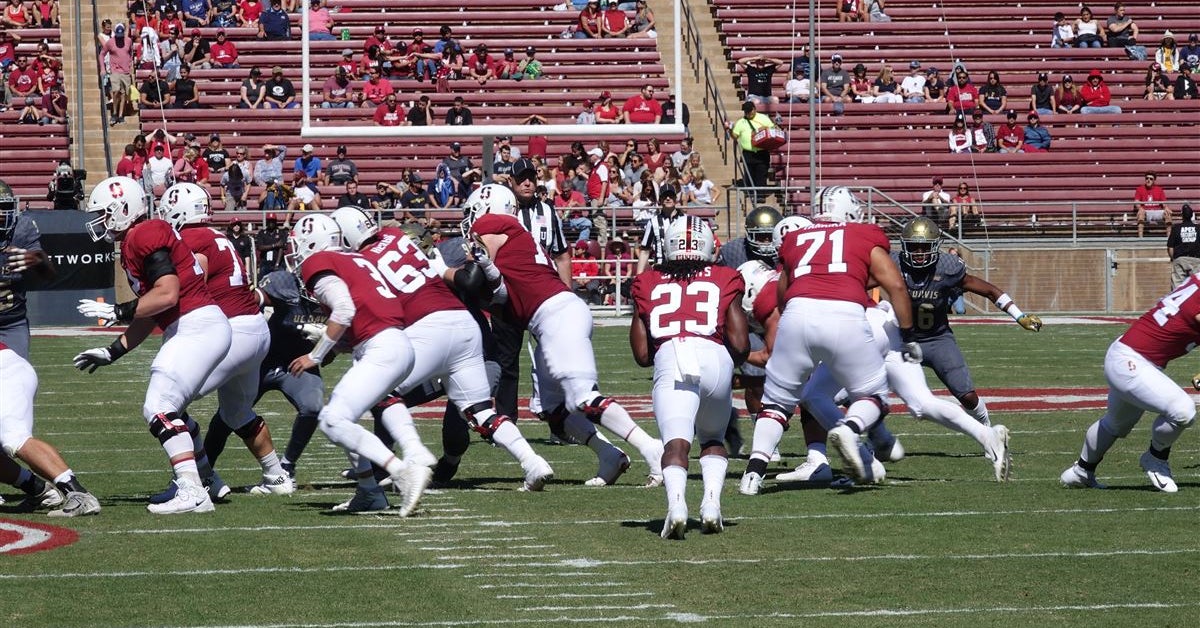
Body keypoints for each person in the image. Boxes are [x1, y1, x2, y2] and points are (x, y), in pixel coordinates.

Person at [331, 207, 554, 497]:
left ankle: (408, 459)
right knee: (480, 412)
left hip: (431, 331)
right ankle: (533, 462)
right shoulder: (399, 239)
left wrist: (335, 342)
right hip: (464, 330)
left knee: (378, 391)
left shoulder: (363, 262)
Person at [464, 184, 664, 486]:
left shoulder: (493, 223)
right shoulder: (516, 237)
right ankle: (609, 455)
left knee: (584, 397)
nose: (471, 221)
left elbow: (474, 277)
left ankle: (651, 448)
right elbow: (500, 293)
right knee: (551, 408)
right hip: (552, 317)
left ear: (486, 207)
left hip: (555, 315)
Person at [740, 187, 918, 492]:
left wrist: (792, 323)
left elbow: (783, 291)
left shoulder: (796, 238)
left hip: (796, 315)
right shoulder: (863, 234)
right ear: (848, 211)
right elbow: (896, 287)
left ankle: (753, 475)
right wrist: (908, 334)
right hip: (844, 315)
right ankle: (851, 429)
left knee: (776, 403)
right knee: (873, 396)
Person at [75, 176, 233, 514]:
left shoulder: (144, 234)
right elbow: (152, 310)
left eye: (105, 214)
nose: (101, 223)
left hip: (197, 325)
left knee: (159, 407)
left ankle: (192, 490)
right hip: (195, 325)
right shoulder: (138, 238)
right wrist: (112, 351)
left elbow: (167, 294)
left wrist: (118, 311)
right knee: (174, 411)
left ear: (123, 209)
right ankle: (205, 479)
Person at [285, 214, 433, 516]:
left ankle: (403, 471)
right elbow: (362, 316)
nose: (296, 252)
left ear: (312, 242)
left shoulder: (319, 261)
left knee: (332, 420)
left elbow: (343, 309)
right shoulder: (355, 259)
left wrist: (315, 355)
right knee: (346, 416)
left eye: (298, 244)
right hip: (395, 343)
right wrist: (333, 344)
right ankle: (369, 492)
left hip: (382, 347)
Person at [158, 183, 293, 496]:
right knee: (237, 411)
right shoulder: (218, 236)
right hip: (255, 328)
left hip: (230, 331)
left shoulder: (190, 239)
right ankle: (277, 477)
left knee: (168, 402)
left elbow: (195, 284)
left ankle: (202, 479)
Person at [629, 216, 748, 538]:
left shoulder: (647, 281)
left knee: (676, 443)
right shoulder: (726, 276)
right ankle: (711, 505)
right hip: (716, 357)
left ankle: (677, 506)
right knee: (712, 438)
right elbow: (740, 345)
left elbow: (642, 356)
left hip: (673, 356)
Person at [895, 217, 1042, 428]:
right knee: (866, 387)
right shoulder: (893, 264)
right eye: (913, 247)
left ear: (935, 247)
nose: (919, 253)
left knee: (968, 397)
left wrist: (1019, 316)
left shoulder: (947, 267)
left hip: (937, 340)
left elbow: (989, 291)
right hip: (900, 340)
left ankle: (987, 429)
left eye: (924, 247)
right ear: (904, 246)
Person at [1060, 277, 1200, 493]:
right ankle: (1156, 458)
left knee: (1115, 424)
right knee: (1183, 411)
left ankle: (1081, 471)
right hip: (1131, 362)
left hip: (1130, 356)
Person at [728, 101, 775, 199]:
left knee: (761, 174)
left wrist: (763, 128)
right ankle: (751, 194)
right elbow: (735, 136)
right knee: (749, 174)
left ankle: (760, 196)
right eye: (746, 112)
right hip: (748, 153)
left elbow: (772, 129)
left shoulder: (763, 118)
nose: (748, 113)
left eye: (750, 111)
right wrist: (729, 130)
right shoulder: (741, 122)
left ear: (754, 109)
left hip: (761, 152)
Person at [101, 23, 136, 124]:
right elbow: (102, 54)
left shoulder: (128, 41)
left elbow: (130, 52)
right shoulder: (110, 42)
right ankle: (114, 113)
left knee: (124, 93)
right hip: (115, 70)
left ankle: (120, 115)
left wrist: (130, 64)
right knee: (116, 91)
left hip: (125, 71)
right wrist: (103, 68)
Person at [1167, 204, 1200, 288]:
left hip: (1180, 260)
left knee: (1177, 289)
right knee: (1196, 288)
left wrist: (1174, 259)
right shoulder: (1198, 228)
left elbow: (1170, 247)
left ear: (1182, 215)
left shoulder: (1176, 228)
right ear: (1192, 215)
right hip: (1196, 260)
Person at [1134, 171, 1170, 238]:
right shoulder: (1140, 189)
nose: (1148, 180)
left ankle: (1169, 238)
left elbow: (1164, 202)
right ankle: (1140, 239)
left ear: (1154, 180)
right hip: (1146, 212)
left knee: (1167, 214)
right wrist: (1140, 208)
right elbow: (1136, 201)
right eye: (1147, 178)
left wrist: (1166, 208)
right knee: (1141, 214)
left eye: (1151, 179)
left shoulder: (1159, 189)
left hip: (1157, 211)